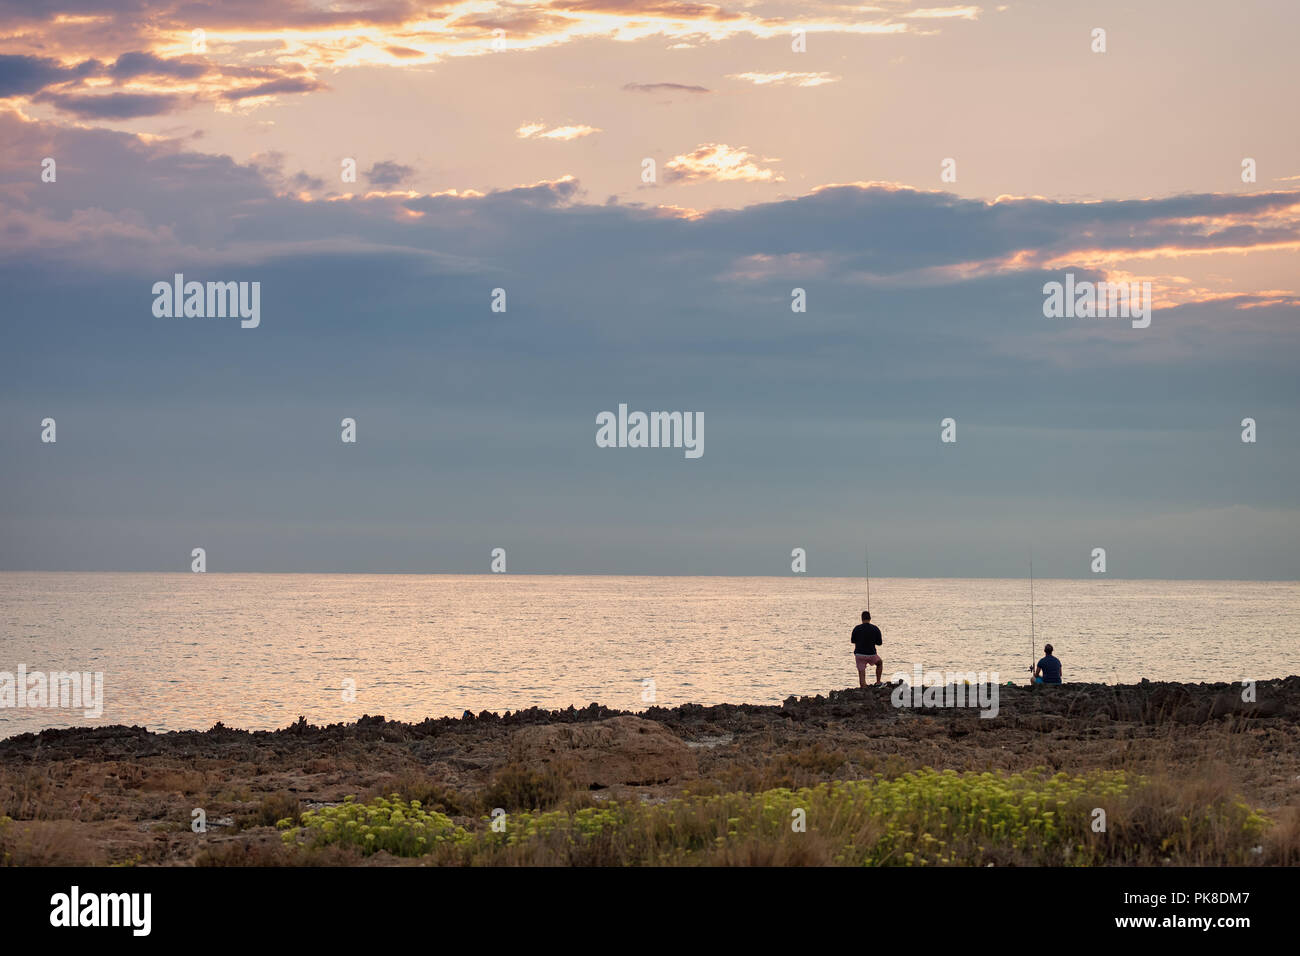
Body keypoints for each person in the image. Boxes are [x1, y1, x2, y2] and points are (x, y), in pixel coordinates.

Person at [851, 611, 884, 687]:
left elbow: (853, 641)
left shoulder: (856, 628)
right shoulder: (875, 628)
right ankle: (878, 682)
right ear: (870, 618)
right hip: (871, 654)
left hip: (859, 655)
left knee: (861, 672)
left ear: (861, 619)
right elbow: (879, 643)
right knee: (879, 663)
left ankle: (863, 686)